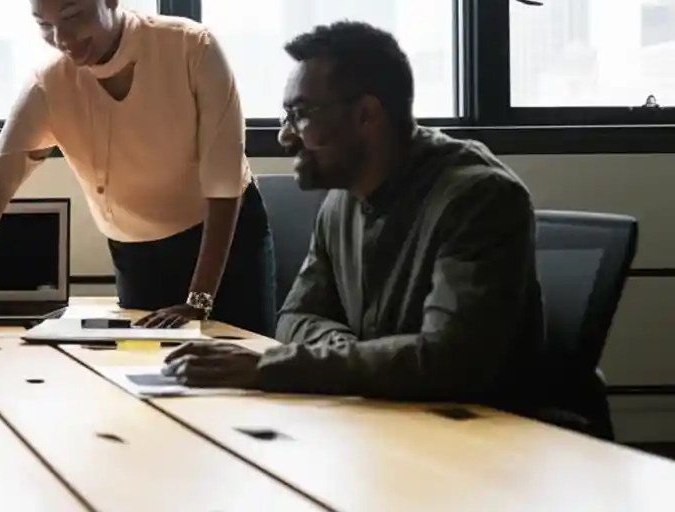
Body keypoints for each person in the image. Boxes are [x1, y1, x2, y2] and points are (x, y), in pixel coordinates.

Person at [163, 21, 545, 409]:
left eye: (301, 114)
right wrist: (347, 354)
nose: (286, 136)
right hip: (388, 419)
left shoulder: (478, 198)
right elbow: (295, 316)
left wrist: (279, 366)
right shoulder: (341, 201)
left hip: (488, 437)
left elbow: (449, 361)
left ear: (366, 115)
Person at [0, 0, 275, 333]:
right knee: (145, 376)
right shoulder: (48, 85)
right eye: (45, 25)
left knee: (236, 368)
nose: (63, 40)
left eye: (73, 17)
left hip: (223, 243)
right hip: (136, 254)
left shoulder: (191, 48)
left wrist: (199, 301)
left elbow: (224, 184)